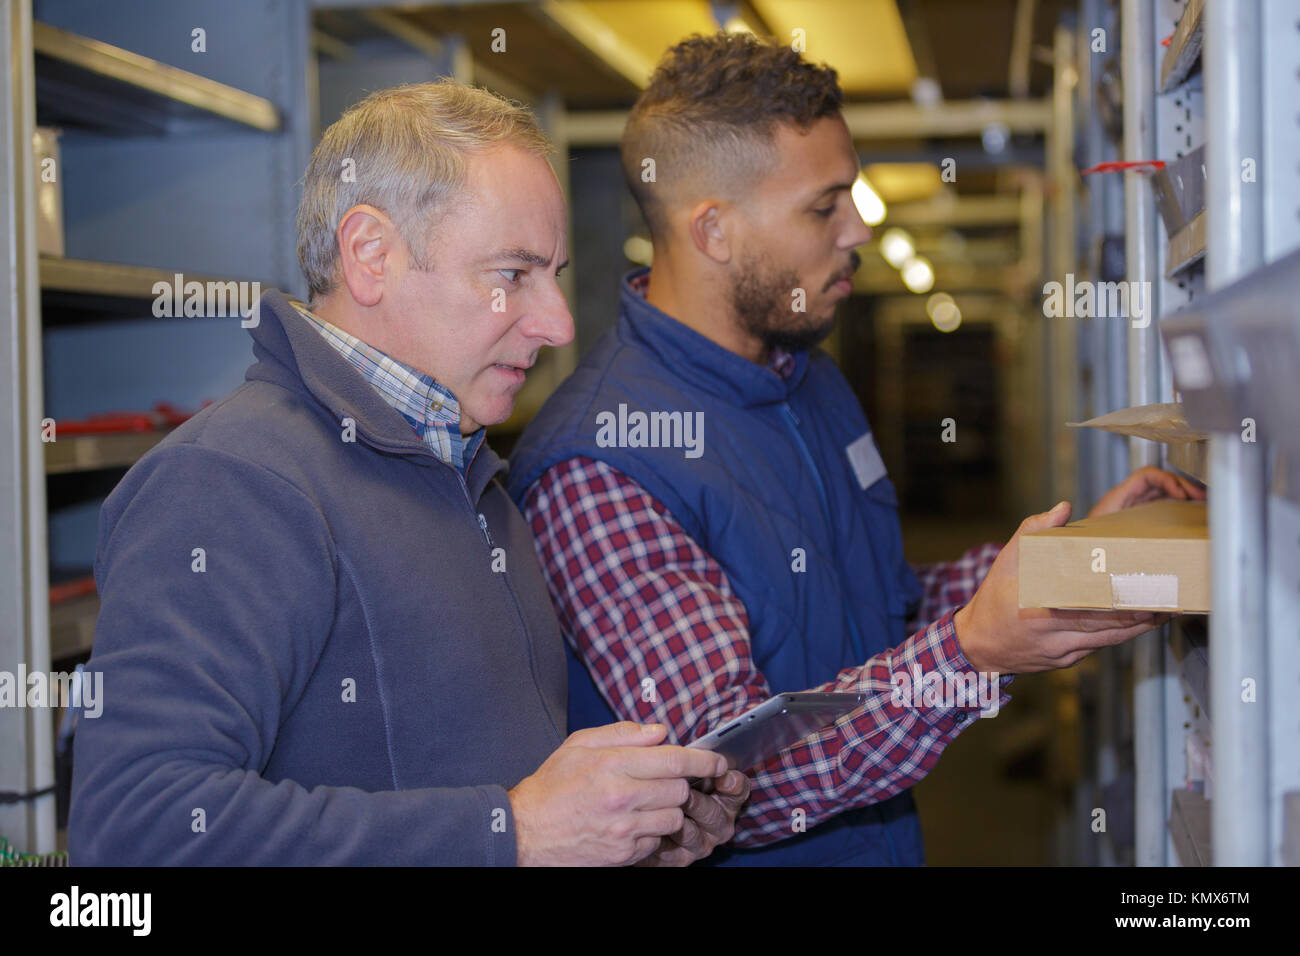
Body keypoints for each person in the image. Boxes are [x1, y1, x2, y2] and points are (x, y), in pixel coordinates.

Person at [506, 33, 1205, 866]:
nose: (860, 230)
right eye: (824, 205)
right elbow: (721, 781)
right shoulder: (601, 465)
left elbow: (880, 608)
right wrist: (971, 652)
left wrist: (1073, 560)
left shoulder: (807, 380)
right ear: (714, 230)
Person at [68, 80, 749, 867]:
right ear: (371, 256)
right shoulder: (229, 483)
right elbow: (138, 830)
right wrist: (515, 833)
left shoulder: (471, 478)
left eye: (553, 274)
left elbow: (488, 792)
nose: (558, 322)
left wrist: (618, 832)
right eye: (512, 275)